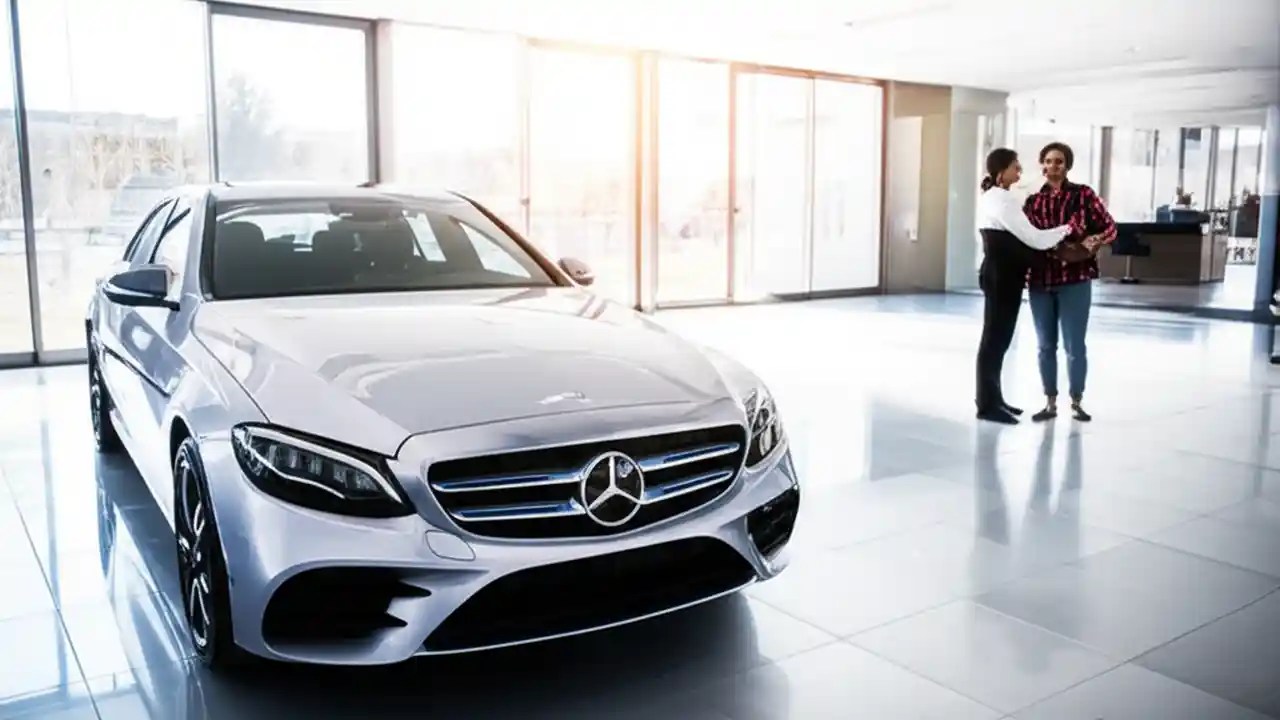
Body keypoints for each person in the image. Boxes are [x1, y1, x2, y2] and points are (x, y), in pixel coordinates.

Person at [975, 148, 1075, 424]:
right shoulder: (1002, 201)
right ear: (1001, 171)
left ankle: (994, 399)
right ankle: (986, 404)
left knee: (999, 339)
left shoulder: (997, 197)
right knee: (995, 340)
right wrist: (1066, 229)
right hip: (1002, 276)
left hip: (1001, 275)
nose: (1019, 172)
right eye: (1015, 167)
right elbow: (1034, 238)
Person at [1022, 142, 1116, 422]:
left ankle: (1077, 401)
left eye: (1059, 161)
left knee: (1075, 345)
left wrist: (1095, 239)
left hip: (1075, 279)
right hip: (1040, 280)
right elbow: (1026, 237)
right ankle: (1050, 402)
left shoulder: (1083, 195)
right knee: (1044, 345)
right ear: (1042, 164)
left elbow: (1110, 227)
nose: (1053, 167)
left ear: (1067, 165)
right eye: (1048, 161)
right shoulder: (1032, 201)